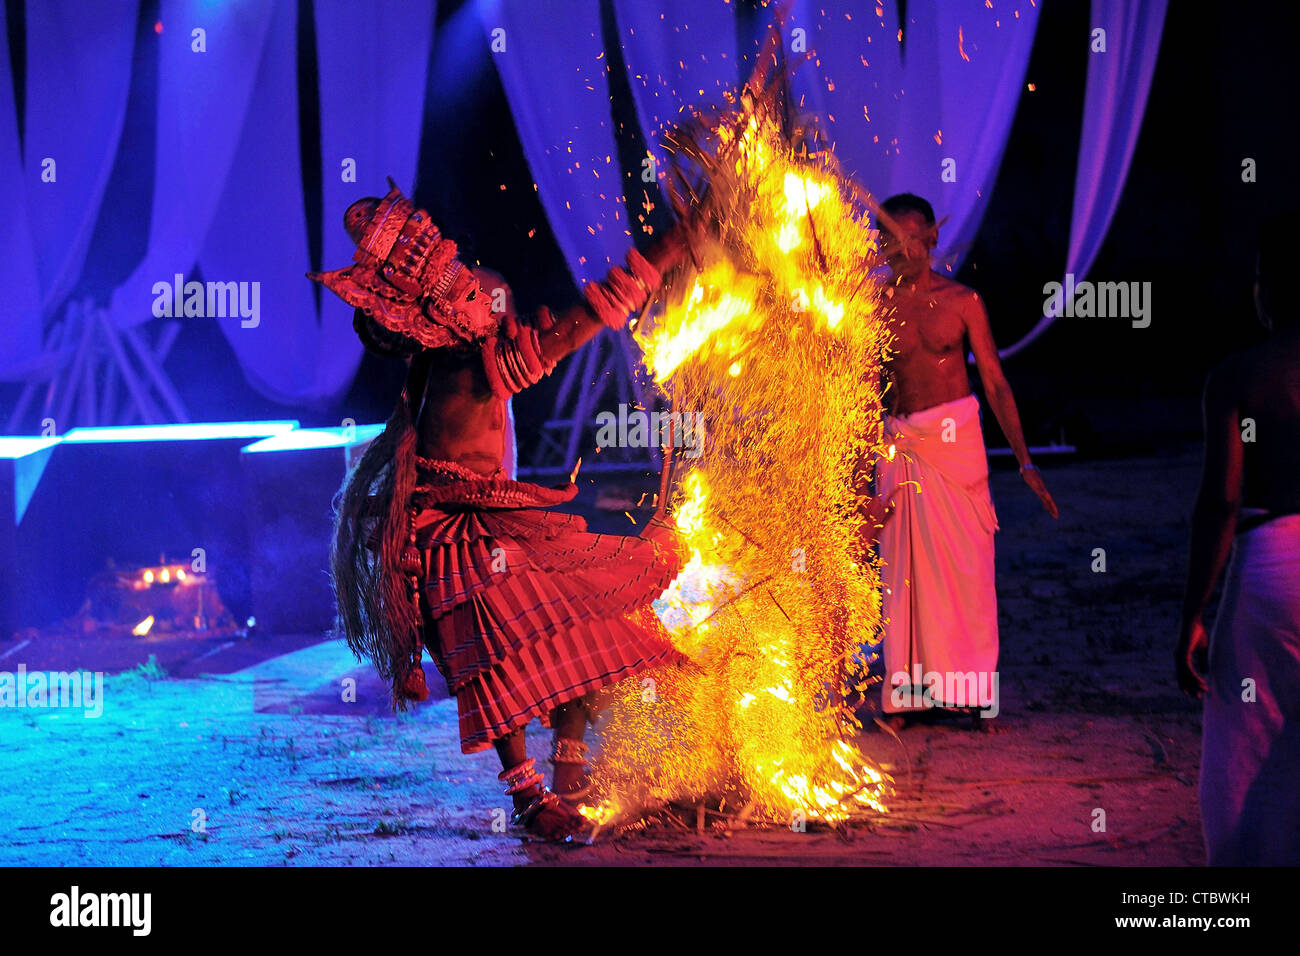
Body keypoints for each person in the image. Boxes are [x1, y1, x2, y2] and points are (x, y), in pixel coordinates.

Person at [309, 182, 689, 841]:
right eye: (479, 298)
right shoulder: (468, 368)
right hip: (454, 538)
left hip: (483, 522)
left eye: (494, 295)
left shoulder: (459, 357)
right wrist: (675, 243)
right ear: (446, 317)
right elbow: (587, 321)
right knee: (499, 661)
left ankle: (567, 788)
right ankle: (529, 800)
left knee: (582, 625)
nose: (494, 305)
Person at [865, 193, 1057, 730]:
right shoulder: (873, 307)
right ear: (881, 244)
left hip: (957, 445)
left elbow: (994, 382)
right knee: (904, 575)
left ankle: (969, 694)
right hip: (904, 445)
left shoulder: (963, 301)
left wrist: (1026, 463)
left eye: (911, 238)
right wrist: (862, 481)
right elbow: (863, 394)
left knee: (967, 569)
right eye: (891, 239)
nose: (903, 249)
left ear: (931, 238)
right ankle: (907, 697)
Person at [1177, 216, 1300, 866]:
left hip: (1271, 569)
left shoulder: (1239, 376)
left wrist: (1192, 616)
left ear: (1269, 291)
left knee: (1249, 746)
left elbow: (1220, 502)